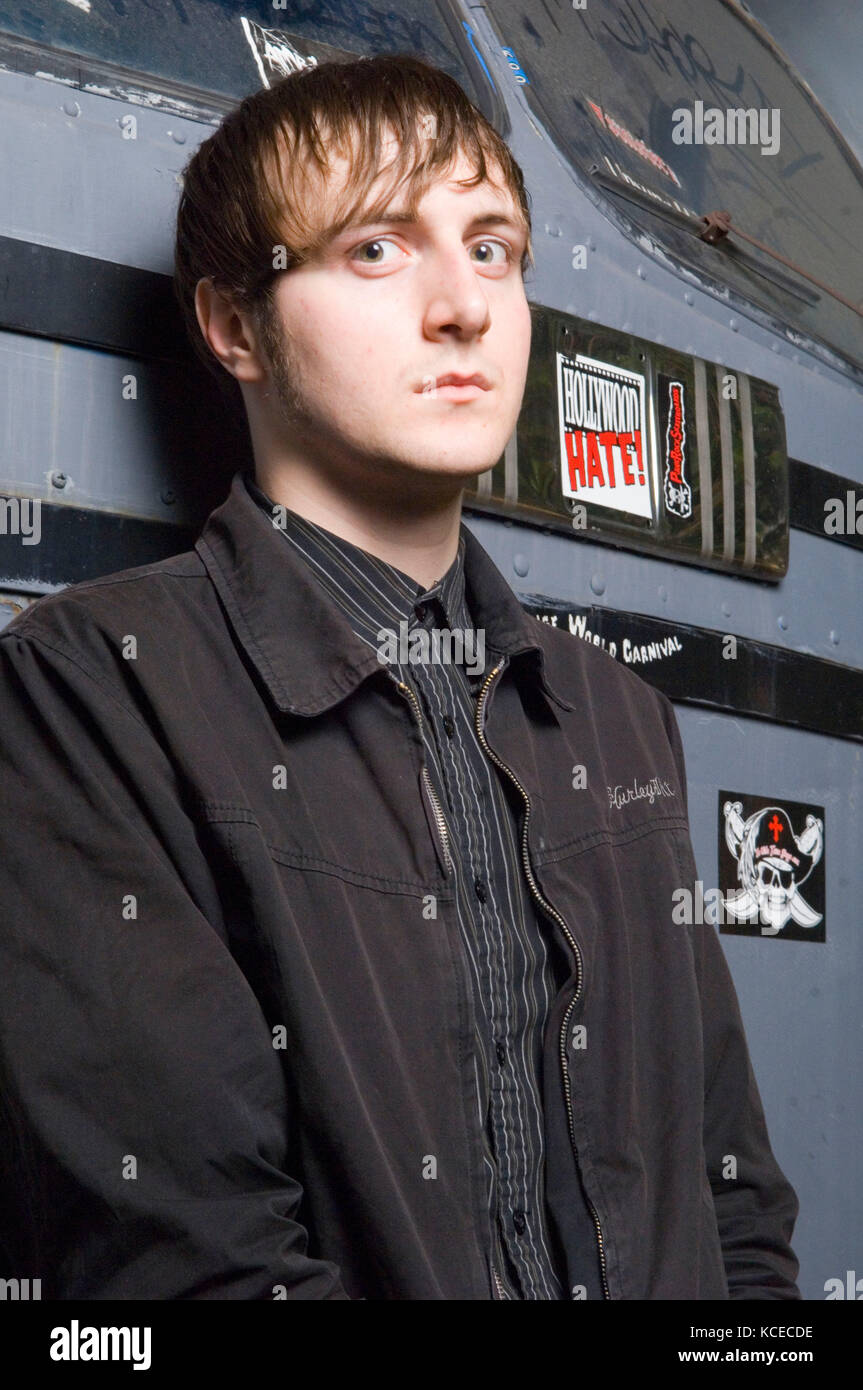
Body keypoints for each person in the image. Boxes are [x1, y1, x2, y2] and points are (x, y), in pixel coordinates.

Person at [0, 53, 799, 1300]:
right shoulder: (94, 690)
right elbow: (184, 1271)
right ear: (231, 325)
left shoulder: (618, 717)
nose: (463, 306)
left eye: (491, 248)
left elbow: (735, 1219)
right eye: (375, 248)